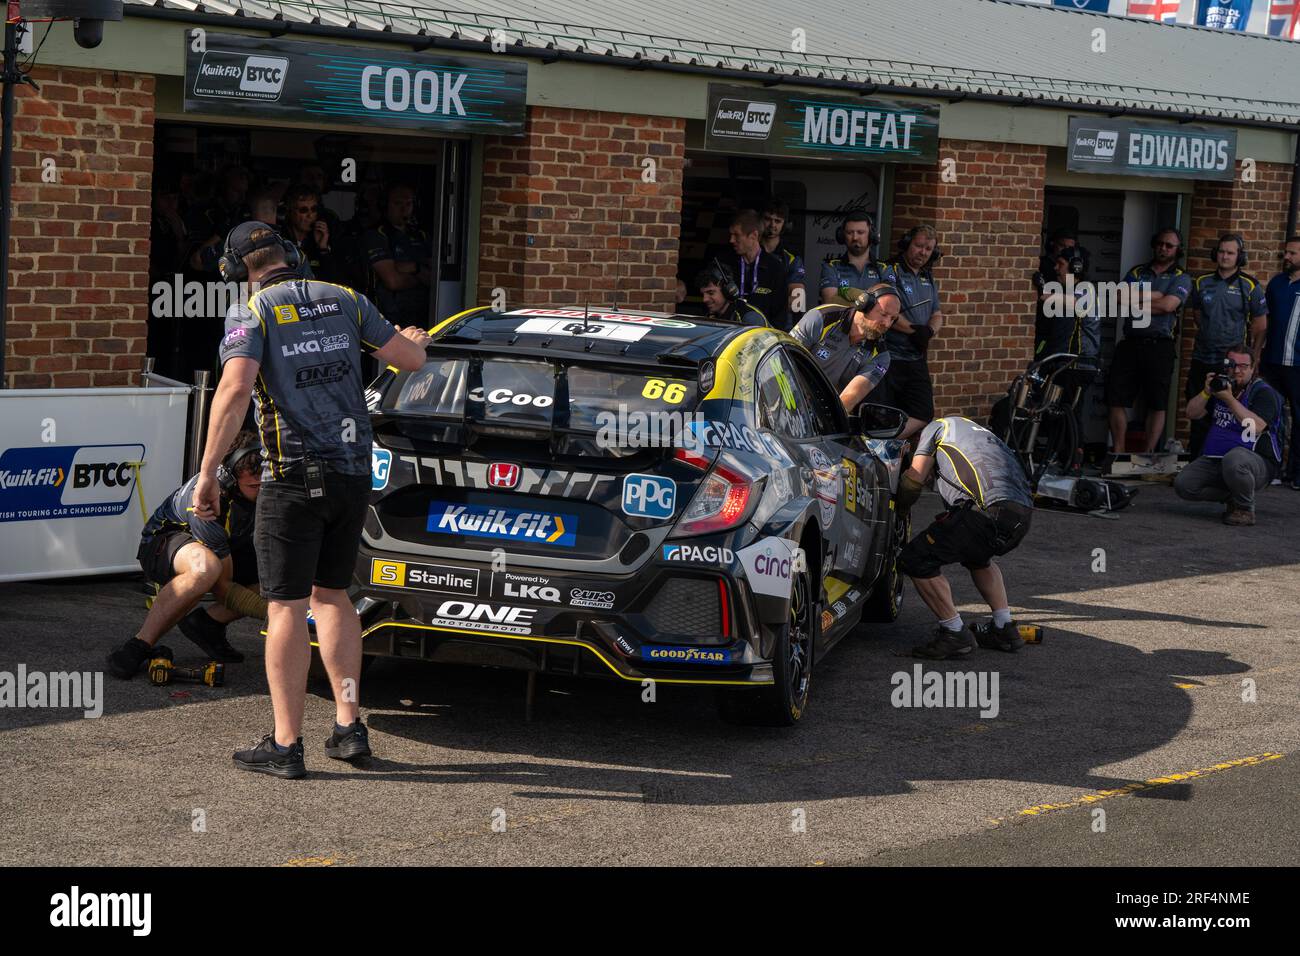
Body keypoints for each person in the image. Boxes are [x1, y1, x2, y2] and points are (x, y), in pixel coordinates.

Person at [197, 222, 431, 779]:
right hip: (353, 474)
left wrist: (208, 471)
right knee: (333, 598)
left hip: (293, 478)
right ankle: (349, 727)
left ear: (235, 272)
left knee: (285, 606)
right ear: (293, 256)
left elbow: (233, 390)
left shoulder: (250, 314)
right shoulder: (348, 299)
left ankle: (286, 743)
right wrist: (415, 341)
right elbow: (411, 361)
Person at [106, 432, 267, 679]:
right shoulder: (206, 501)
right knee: (205, 569)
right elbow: (223, 588)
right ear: (231, 478)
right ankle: (140, 643)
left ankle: (208, 624)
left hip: (223, 547)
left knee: (285, 572)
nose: (263, 489)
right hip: (163, 542)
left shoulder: (259, 487)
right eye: (255, 485)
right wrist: (276, 616)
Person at [894, 416, 1034, 660]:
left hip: (983, 512)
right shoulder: (979, 432)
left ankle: (953, 633)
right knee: (978, 557)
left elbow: (913, 482)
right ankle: (1004, 628)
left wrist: (898, 511)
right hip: (1021, 514)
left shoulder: (935, 428)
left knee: (916, 559)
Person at [1105, 229, 1192, 455]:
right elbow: (1118, 297)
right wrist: (1156, 296)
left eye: (1169, 245)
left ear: (1177, 250)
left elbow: (1168, 306)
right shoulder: (1137, 271)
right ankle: (1119, 451)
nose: (1163, 248)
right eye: (1160, 243)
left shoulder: (1181, 276)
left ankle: (1147, 454)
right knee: (1115, 398)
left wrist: (1137, 300)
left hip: (1160, 345)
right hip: (1131, 342)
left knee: (1157, 402)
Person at [1174, 344, 1282, 527]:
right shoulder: (1222, 386)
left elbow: (1255, 427)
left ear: (1253, 368)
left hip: (1257, 463)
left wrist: (1230, 400)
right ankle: (1234, 495)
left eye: (1243, 366)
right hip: (1217, 459)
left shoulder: (1263, 392)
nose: (1237, 371)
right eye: (1232, 365)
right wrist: (1206, 392)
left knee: (1235, 458)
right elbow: (1191, 413)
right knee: (1184, 484)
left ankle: (1245, 509)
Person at [1185, 234, 1268, 456]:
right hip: (1202, 358)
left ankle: (1222, 461)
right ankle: (1197, 462)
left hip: (1231, 364)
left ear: (1239, 257)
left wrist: (1255, 357)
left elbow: (1260, 326)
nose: (1224, 256)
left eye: (1230, 253)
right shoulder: (1201, 282)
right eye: (1221, 251)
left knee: (1227, 413)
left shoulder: (1249, 286)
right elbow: (1197, 315)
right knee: (1199, 413)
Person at [790, 284, 899, 413]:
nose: (887, 324)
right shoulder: (823, 318)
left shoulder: (881, 356)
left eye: (892, 319)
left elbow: (851, 396)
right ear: (864, 304)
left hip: (820, 412)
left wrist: (828, 418)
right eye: (883, 314)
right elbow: (786, 361)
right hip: (787, 393)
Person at [879, 225, 945, 439]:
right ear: (908, 243)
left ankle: (890, 442)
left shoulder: (928, 277)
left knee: (924, 412)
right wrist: (913, 331)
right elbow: (886, 311)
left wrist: (929, 331)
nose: (923, 252)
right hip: (890, 357)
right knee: (885, 412)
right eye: (918, 246)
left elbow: (937, 313)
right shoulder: (890, 271)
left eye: (928, 249)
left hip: (916, 357)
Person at [363, 184, 433, 328]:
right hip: (388, 316)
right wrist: (420, 272)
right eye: (397, 203)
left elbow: (435, 280)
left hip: (422, 316)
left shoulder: (422, 236)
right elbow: (393, 281)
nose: (404, 209)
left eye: (408, 204)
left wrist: (413, 268)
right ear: (385, 206)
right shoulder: (377, 234)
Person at [1261, 235, 1300, 489]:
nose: (1287, 257)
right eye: (1286, 252)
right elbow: (1263, 322)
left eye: (1293, 253)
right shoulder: (1276, 283)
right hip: (1272, 362)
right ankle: (1270, 469)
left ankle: (1295, 474)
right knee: (1270, 417)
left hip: (1298, 365)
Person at [725, 209, 788, 330]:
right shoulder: (725, 263)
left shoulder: (775, 267)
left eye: (736, 235)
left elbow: (780, 315)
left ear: (753, 236)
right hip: (730, 335)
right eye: (731, 235)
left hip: (763, 339)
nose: (731, 240)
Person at [820, 210, 884, 305]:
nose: (855, 237)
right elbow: (830, 301)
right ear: (842, 236)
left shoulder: (883, 268)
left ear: (871, 235)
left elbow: (889, 303)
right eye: (850, 232)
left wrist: (847, 296)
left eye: (860, 232)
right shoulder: (831, 266)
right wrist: (869, 301)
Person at [761, 197, 807, 321]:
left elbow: (797, 300)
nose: (772, 225)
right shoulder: (749, 250)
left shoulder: (792, 257)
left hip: (780, 325)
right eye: (768, 219)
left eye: (777, 221)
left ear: (785, 224)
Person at [281, 185, 338, 281]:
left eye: (314, 209)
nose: (310, 215)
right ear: (290, 212)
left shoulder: (321, 241)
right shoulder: (280, 240)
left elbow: (334, 283)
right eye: (303, 210)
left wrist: (323, 248)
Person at [695, 262, 768, 326]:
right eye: (703, 294)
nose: (705, 299)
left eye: (711, 293)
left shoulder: (750, 318)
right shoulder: (710, 315)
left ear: (728, 291)